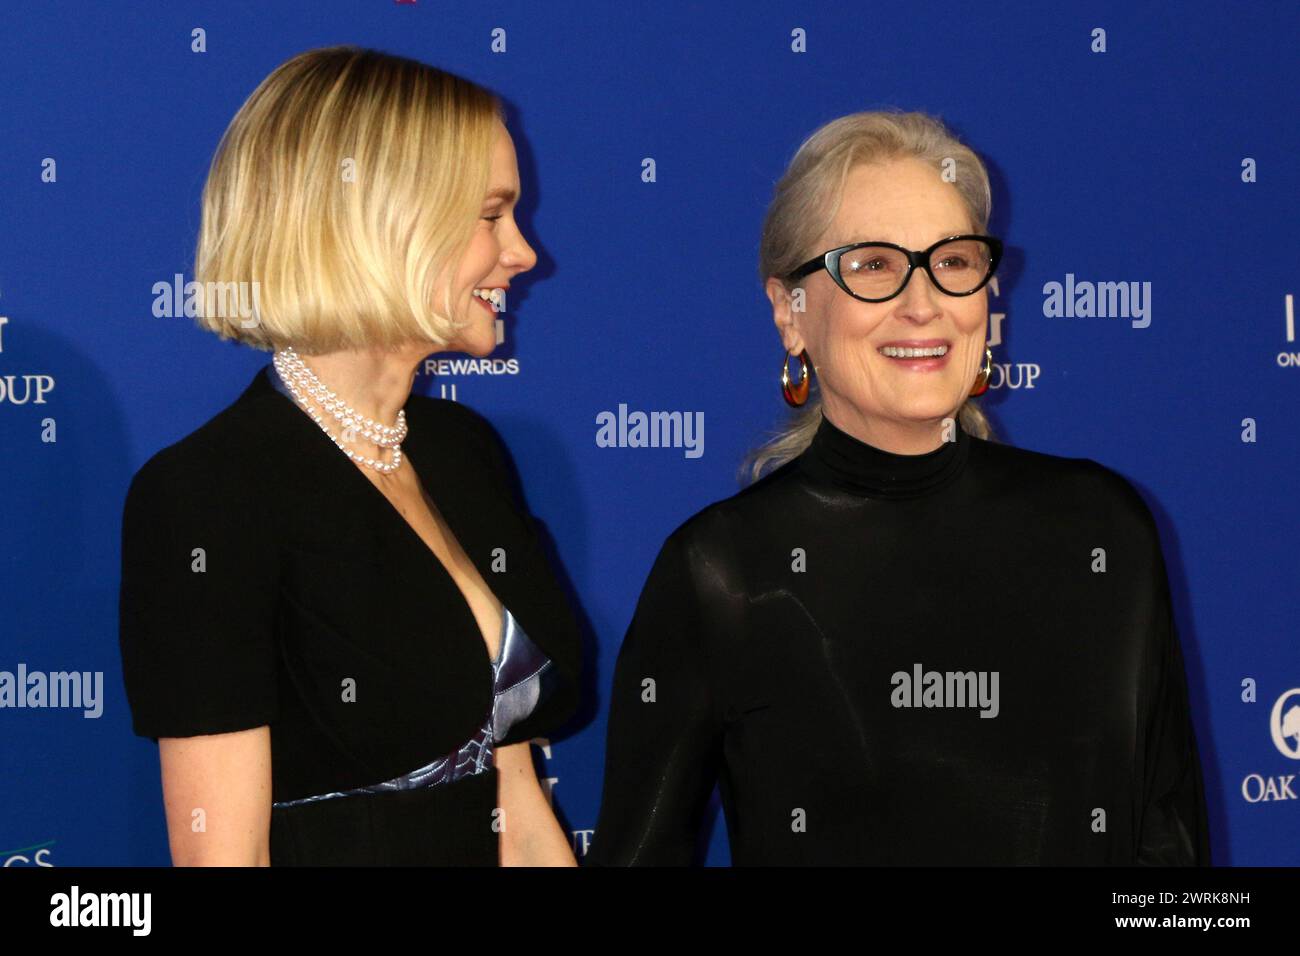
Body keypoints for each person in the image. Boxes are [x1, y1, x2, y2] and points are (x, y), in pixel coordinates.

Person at [587, 110, 1210, 866]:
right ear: (791, 313)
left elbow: (1174, 866)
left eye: (951, 261)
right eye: (873, 265)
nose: (924, 304)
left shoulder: (1102, 530)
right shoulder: (722, 571)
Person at [118, 46, 582, 866]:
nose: (524, 252)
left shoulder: (463, 452)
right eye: (490, 215)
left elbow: (514, 795)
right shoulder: (208, 496)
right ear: (381, 221)